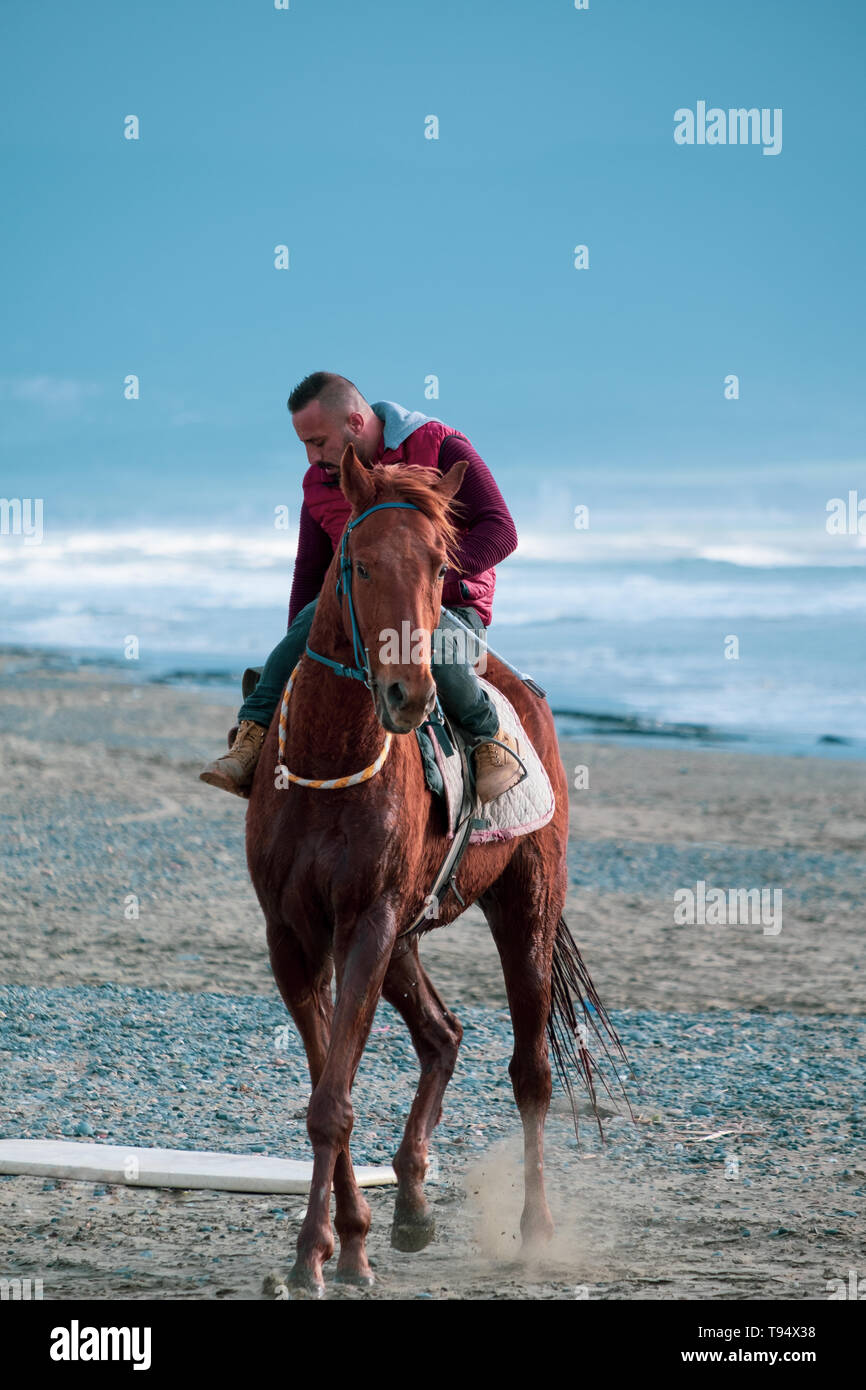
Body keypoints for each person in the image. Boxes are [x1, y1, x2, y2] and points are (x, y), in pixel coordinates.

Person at [199, 372, 523, 803]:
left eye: (318, 441)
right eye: (305, 445)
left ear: (355, 424)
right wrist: (298, 638)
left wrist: (418, 580)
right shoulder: (319, 482)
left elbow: (502, 530)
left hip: (448, 603)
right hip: (357, 606)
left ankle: (491, 741)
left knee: (438, 655)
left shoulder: (438, 445)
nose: (312, 457)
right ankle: (251, 741)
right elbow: (310, 571)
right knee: (300, 638)